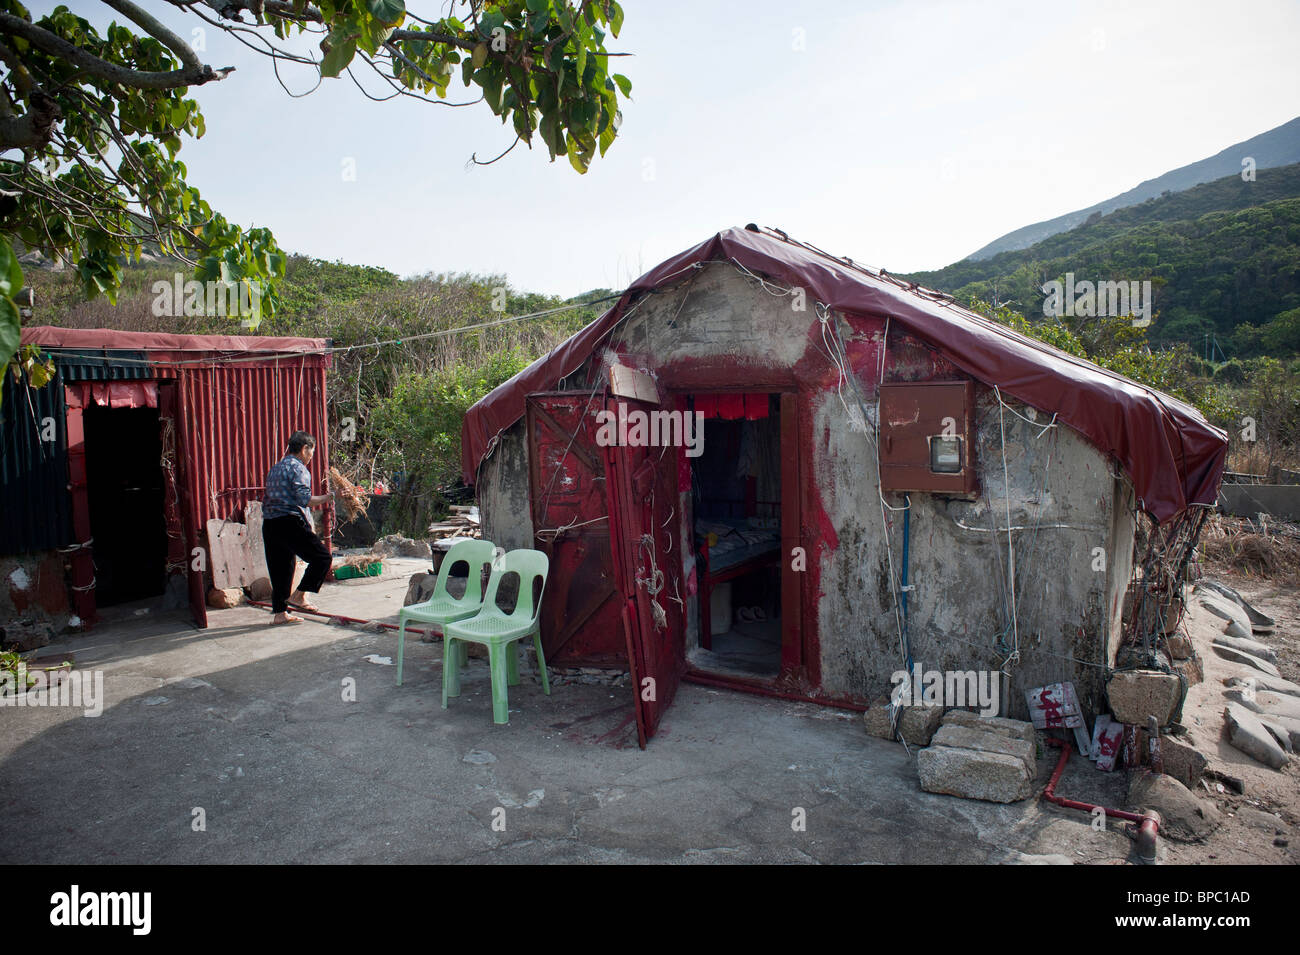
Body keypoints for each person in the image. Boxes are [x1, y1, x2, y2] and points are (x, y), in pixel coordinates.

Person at [261, 431, 333, 624]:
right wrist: (330, 497)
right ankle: (299, 596)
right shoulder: (299, 469)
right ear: (304, 449)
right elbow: (305, 500)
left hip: (269, 524)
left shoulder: (275, 468)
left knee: (281, 568)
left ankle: (280, 614)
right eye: (312, 452)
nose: (311, 457)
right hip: (289, 522)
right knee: (322, 558)